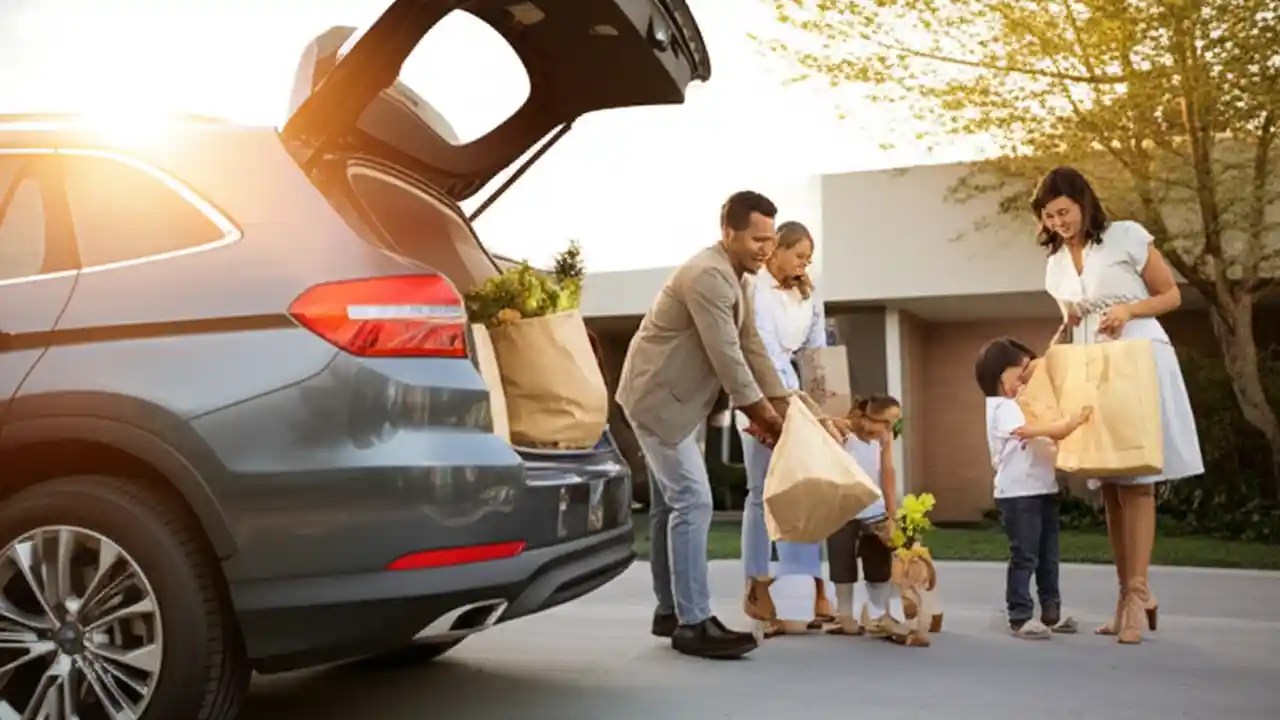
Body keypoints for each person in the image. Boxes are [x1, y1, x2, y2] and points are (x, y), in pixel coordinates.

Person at [617, 190, 819, 659]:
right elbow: (727, 357)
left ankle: (670, 612)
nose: (765, 249)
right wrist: (766, 418)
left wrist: (785, 406)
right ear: (728, 231)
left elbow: (753, 348)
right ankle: (694, 622)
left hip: (682, 401)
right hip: (658, 401)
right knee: (694, 499)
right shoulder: (707, 276)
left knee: (672, 506)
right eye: (756, 239)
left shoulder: (740, 277)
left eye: (770, 239)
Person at [1033, 166, 1205, 644]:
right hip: (1092, 368)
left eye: (1064, 212)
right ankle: (1125, 595)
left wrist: (1128, 309)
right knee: (1109, 482)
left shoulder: (1126, 236)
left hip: (1137, 359)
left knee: (1138, 478)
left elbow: (1170, 294)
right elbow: (1068, 322)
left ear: (1083, 201)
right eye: (1049, 217)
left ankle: (1138, 593)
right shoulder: (1055, 266)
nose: (1058, 222)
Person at [737, 220, 836, 636]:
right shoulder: (751, 287)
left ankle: (814, 589)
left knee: (806, 489)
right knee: (761, 494)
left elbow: (818, 359)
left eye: (808, 260)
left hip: (797, 401)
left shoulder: (810, 299)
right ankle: (757, 589)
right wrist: (763, 409)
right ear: (776, 249)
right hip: (759, 395)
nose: (803, 265)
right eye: (799, 256)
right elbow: (749, 347)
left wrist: (830, 413)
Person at [976, 337, 1088, 639]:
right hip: (1017, 494)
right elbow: (1032, 431)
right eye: (1021, 372)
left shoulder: (1020, 403)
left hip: (1042, 488)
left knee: (1048, 554)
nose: (1027, 379)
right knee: (1025, 555)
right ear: (1003, 375)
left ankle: (1052, 611)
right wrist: (1070, 423)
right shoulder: (1002, 408)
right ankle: (1020, 615)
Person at [825, 395, 900, 637]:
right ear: (866, 417)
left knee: (878, 562)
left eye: (892, 424)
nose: (888, 429)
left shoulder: (884, 440)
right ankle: (845, 614)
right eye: (885, 422)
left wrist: (892, 514)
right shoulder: (844, 434)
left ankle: (879, 613)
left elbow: (887, 474)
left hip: (874, 510)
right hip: (843, 510)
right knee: (842, 559)